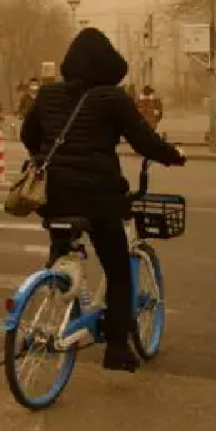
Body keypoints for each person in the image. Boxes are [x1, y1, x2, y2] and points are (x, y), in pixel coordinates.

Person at [21, 28, 185, 373]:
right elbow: (144, 141)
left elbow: (28, 135)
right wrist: (174, 156)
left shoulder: (48, 95)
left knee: (64, 240)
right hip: (99, 195)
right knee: (118, 268)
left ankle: (58, 268)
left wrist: (43, 155)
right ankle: (116, 347)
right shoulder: (112, 98)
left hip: (53, 195)